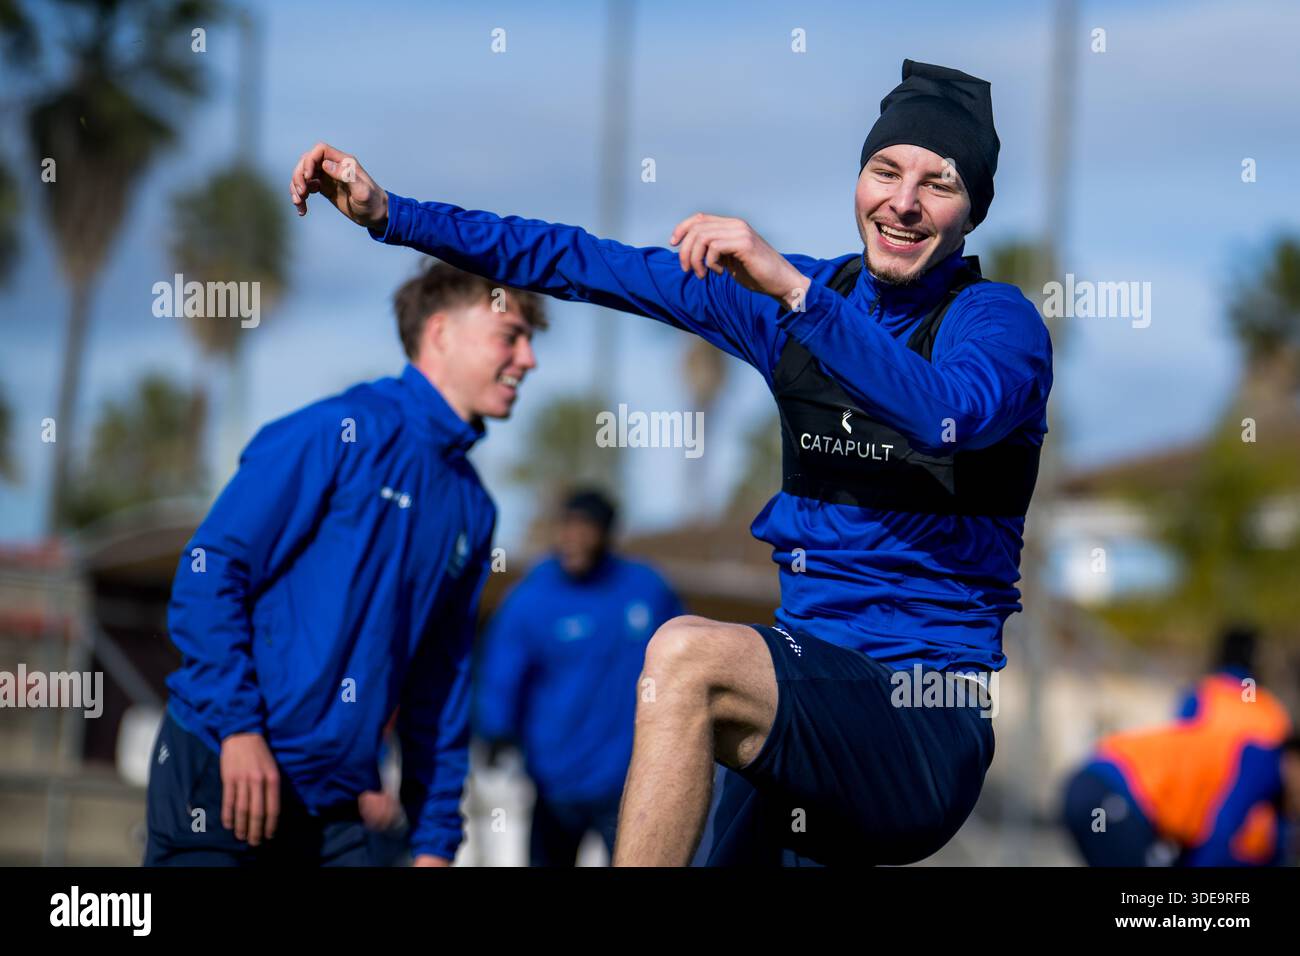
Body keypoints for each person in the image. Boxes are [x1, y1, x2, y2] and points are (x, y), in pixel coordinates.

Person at [289, 58, 1053, 866]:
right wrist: (391, 214)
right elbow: (578, 260)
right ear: (859, 181)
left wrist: (796, 294)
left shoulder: (994, 324)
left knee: (684, 655)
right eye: (885, 170)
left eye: (939, 183)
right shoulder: (795, 303)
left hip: (919, 724)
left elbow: (946, 413)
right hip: (796, 702)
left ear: (972, 213)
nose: (903, 201)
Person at [144, 262, 546, 866]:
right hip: (223, 767)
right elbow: (209, 569)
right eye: (510, 335)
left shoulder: (472, 507)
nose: (528, 359)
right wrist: (239, 730)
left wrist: (435, 842)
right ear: (440, 333)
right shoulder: (337, 433)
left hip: (332, 802)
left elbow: (441, 682)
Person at [474, 489, 684, 865]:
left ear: (606, 533)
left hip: (630, 778)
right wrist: (496, 731)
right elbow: (502, 674)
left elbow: (686, 655)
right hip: (555, 778)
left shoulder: (646, 589)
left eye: (585, 528)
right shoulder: (531, 598)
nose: (573, 538)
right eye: (567, 527)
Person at [1063, 727, 1300, 867]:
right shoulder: (1262, 762)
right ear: (1293, 761)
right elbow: (1218, 842)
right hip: (1106, 791)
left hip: (1099, 791)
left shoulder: (1273, 799)